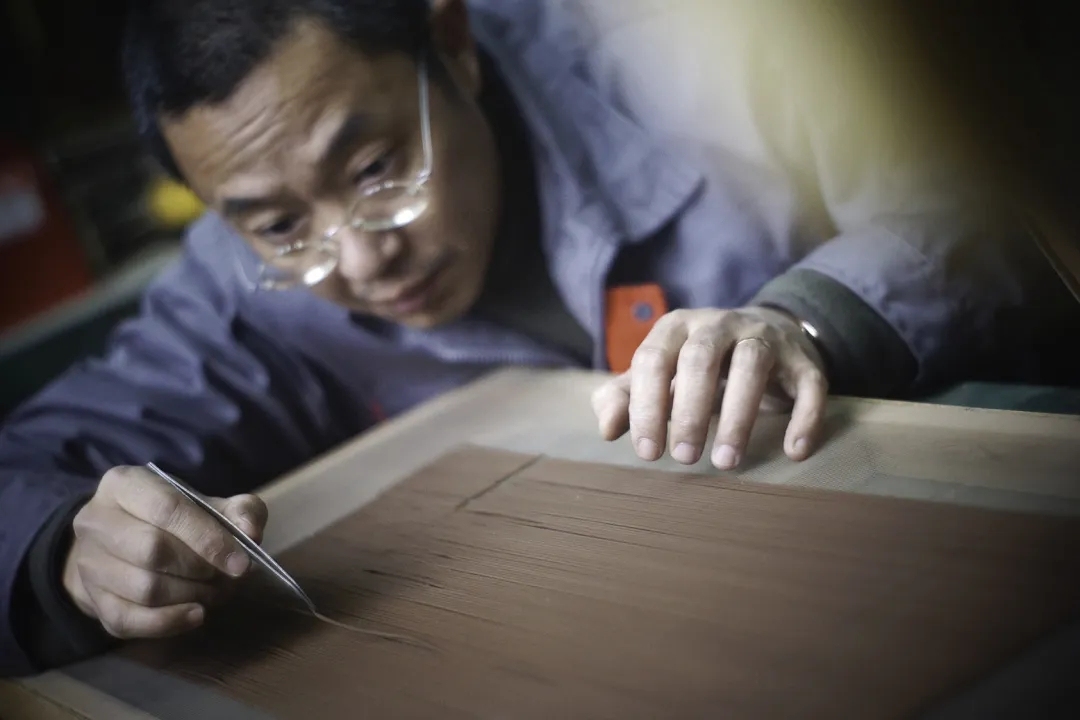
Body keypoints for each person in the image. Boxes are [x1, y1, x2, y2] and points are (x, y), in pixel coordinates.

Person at [0, 0, 1044, 676]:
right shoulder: (240, 281)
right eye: (279, 224)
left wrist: (805, 319)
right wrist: (65, 554)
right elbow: (22, 467)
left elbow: (991, 201)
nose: (360, 261)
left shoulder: (700, 53)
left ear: (452, 45)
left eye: (374, 171)